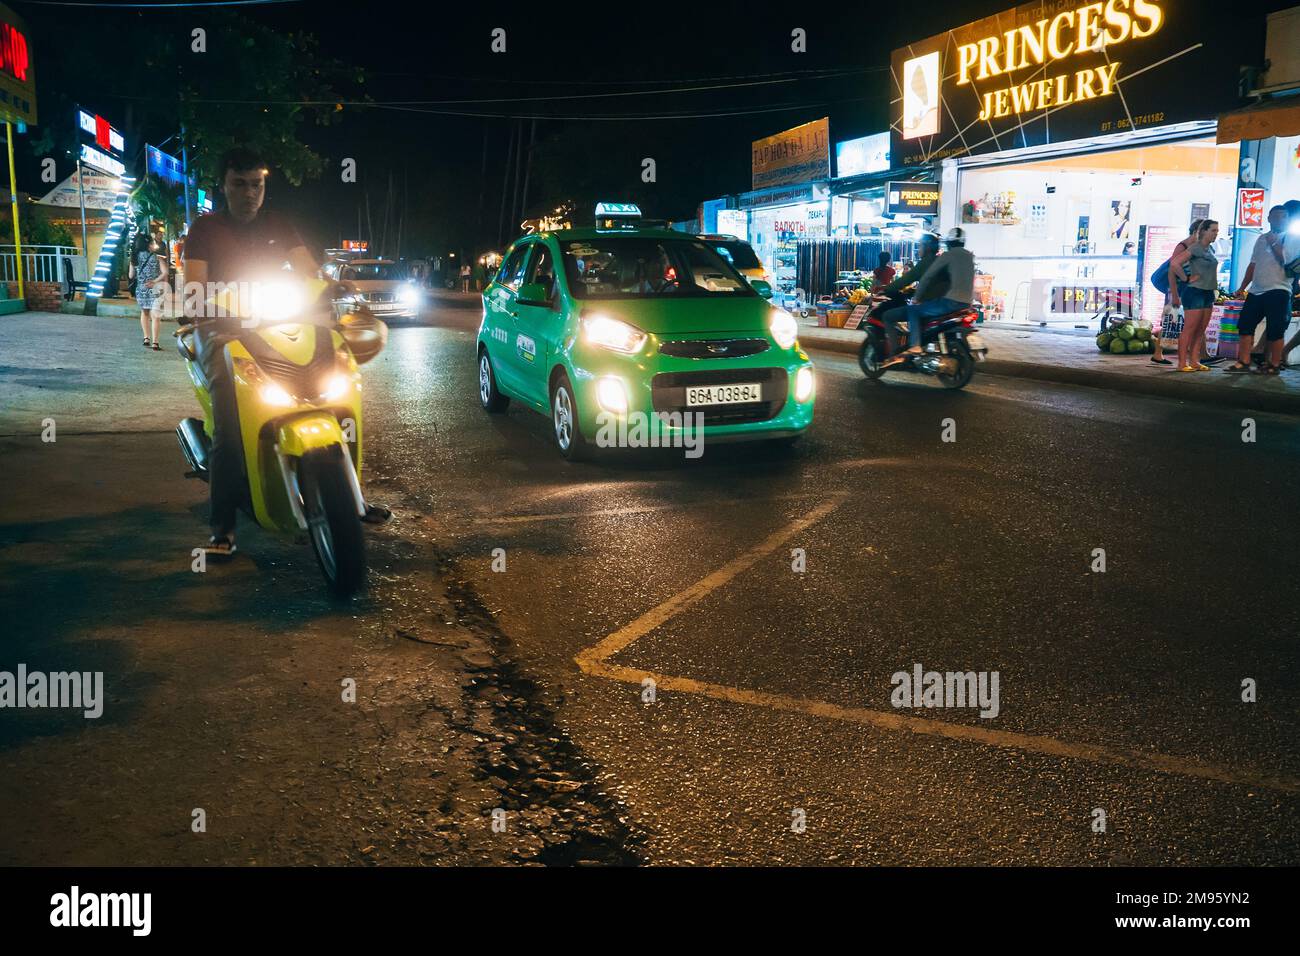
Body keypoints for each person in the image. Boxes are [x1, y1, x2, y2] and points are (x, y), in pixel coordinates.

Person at [183, 147, 389, 558]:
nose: (249, 193)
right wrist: (204, 304)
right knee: (229, 420)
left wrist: (330, 288)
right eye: (239, 184)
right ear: (224, 186)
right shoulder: (204, 229)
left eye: (256, 184)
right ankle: (223, 529)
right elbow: (195, 288)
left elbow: (308, 271)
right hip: (221, 330)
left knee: (335, 380)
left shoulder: (279, 224)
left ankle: (352, 497)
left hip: (274, 322)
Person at [883, 228, 974, 367]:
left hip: (949, 302)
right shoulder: (969, 256)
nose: (918, 249)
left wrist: (916, 297)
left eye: (919, 246)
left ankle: (914, 346)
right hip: (967, 303)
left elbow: (926, 278)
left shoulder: (944, 257)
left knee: (913, 310)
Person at [1231, 205, 1299, 374]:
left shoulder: (1292, 238)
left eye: (1283, 216)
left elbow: (1285, 259)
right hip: (1256, 290)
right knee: (1245, 325)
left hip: (1279, 289)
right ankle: (1244, 361)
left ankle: (1274, 364)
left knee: (1276, 329)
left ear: (1287, 219)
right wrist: (1242, 287)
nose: (1279, 219)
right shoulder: (1261, 238)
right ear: (1268, 218)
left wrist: (1274, 242)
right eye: (1275, 216)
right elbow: (1253, 264)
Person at [1169, 219, 1219, 373]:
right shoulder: (1195, 248)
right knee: (1190, 329)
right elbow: (1174, 263)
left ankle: (1195, 361)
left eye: (1217, 231)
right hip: (1195, 291)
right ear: (1203, 231)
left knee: (1200, 330)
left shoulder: (1210, 250)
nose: (1216, 233)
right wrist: (1186, 278)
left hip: (1208, 292)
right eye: (1213, 230)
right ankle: (1182, 363)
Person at [134, 233, 167, 350]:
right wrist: (154, 280)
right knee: (156, 316)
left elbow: (131, 275)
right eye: (153, 243)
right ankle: (155, 342)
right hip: (155, 289)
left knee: (145, 313)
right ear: (149, 245)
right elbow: (165, 272)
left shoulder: (135, 258)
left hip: (142, 289)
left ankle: (146, 338)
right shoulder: (157, 257)